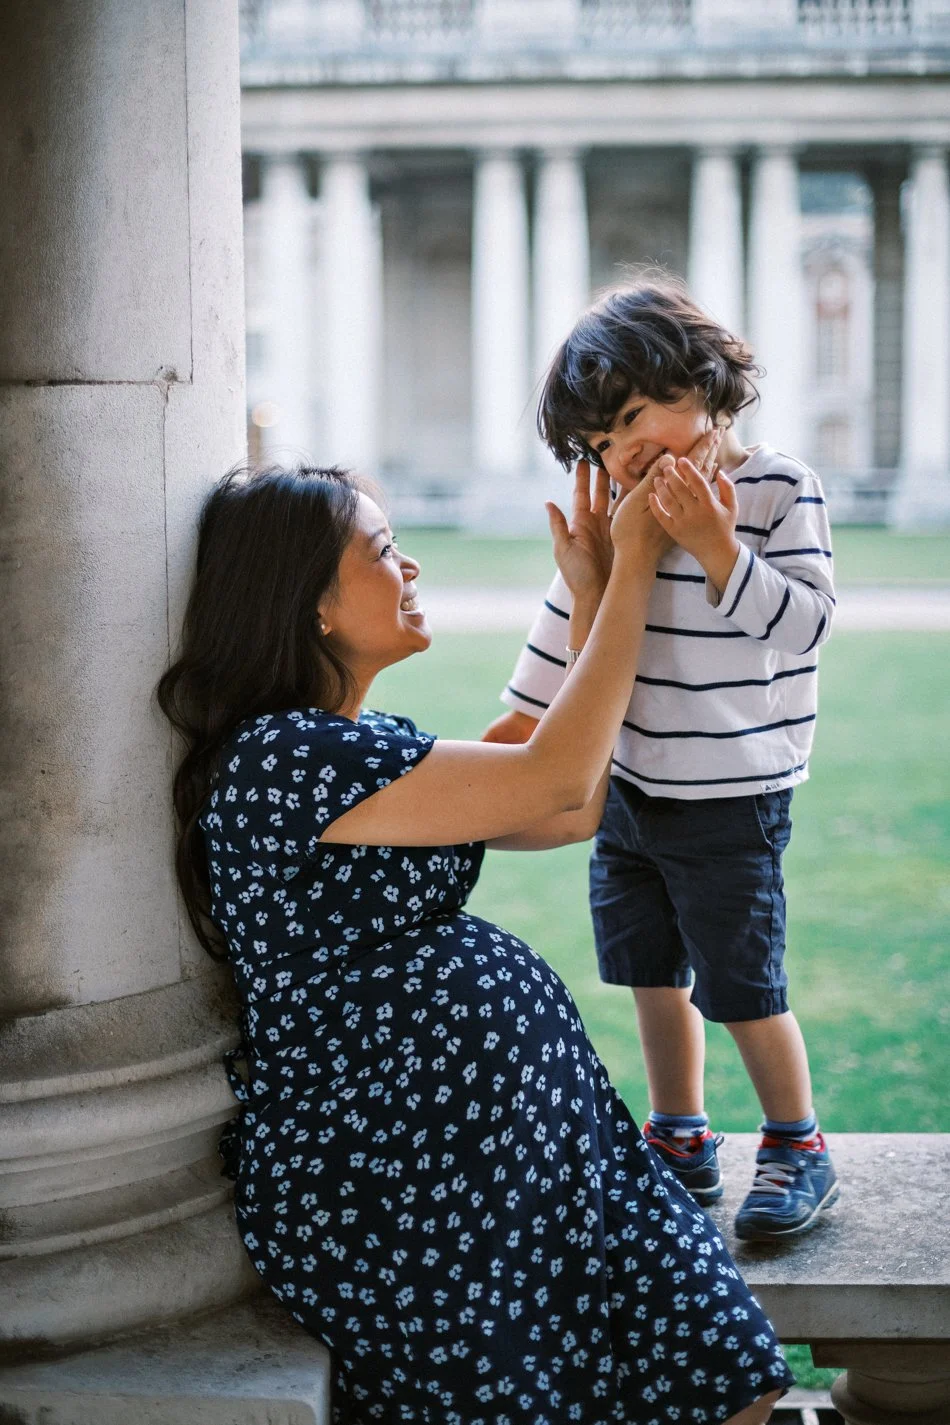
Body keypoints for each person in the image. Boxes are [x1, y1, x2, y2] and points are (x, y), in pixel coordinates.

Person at [158, 459, 793, 1424]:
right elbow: (555, 776)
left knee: (735, 1373)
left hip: (529, 1161)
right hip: (405, 1185)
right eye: (380, 549)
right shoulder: (282, 758)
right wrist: (628, 574)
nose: (408, 564)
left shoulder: (354, 749)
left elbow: (566, 811)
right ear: (309, 603)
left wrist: (588, 595)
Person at [485, 276, 839, 1242]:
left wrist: (717, 547)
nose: (623, 452)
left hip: (732, 795)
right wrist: (510, 724)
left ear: (706, 382)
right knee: (650, 972)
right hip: (631, 791)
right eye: (601, 443)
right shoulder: (617, 519)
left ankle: (796, 1142)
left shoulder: (774, 489)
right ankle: (681, 1132)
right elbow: (563, 652)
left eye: (635, 416)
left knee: (742, 984)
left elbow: (803, 628)